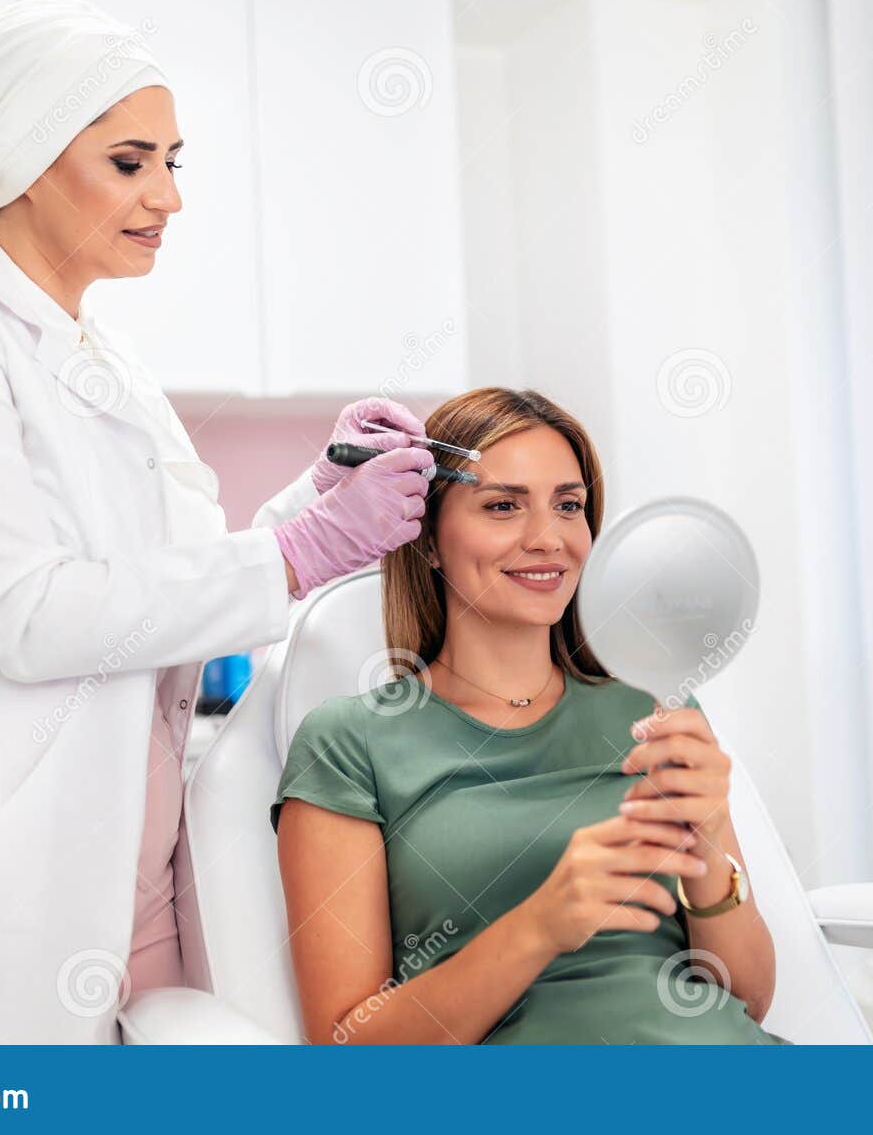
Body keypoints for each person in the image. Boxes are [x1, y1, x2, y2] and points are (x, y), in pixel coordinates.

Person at [0, 0, 432, 1043]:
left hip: (130, 865)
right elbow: (30, 612)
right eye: (130, 162)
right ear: (27, 163)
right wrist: (299, 551)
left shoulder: (107, 358)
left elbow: (172, 577)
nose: (168, 196)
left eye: (171, 162)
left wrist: (315, 495)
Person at [273, 387, 787, 1044]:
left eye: (568, 506)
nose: (548, 540)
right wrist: (539, 926)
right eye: (503, 506)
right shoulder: (349, 743)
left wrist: (709, 833)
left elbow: (747, 999)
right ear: (427, 539)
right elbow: (345, 1048)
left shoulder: (657, 709)